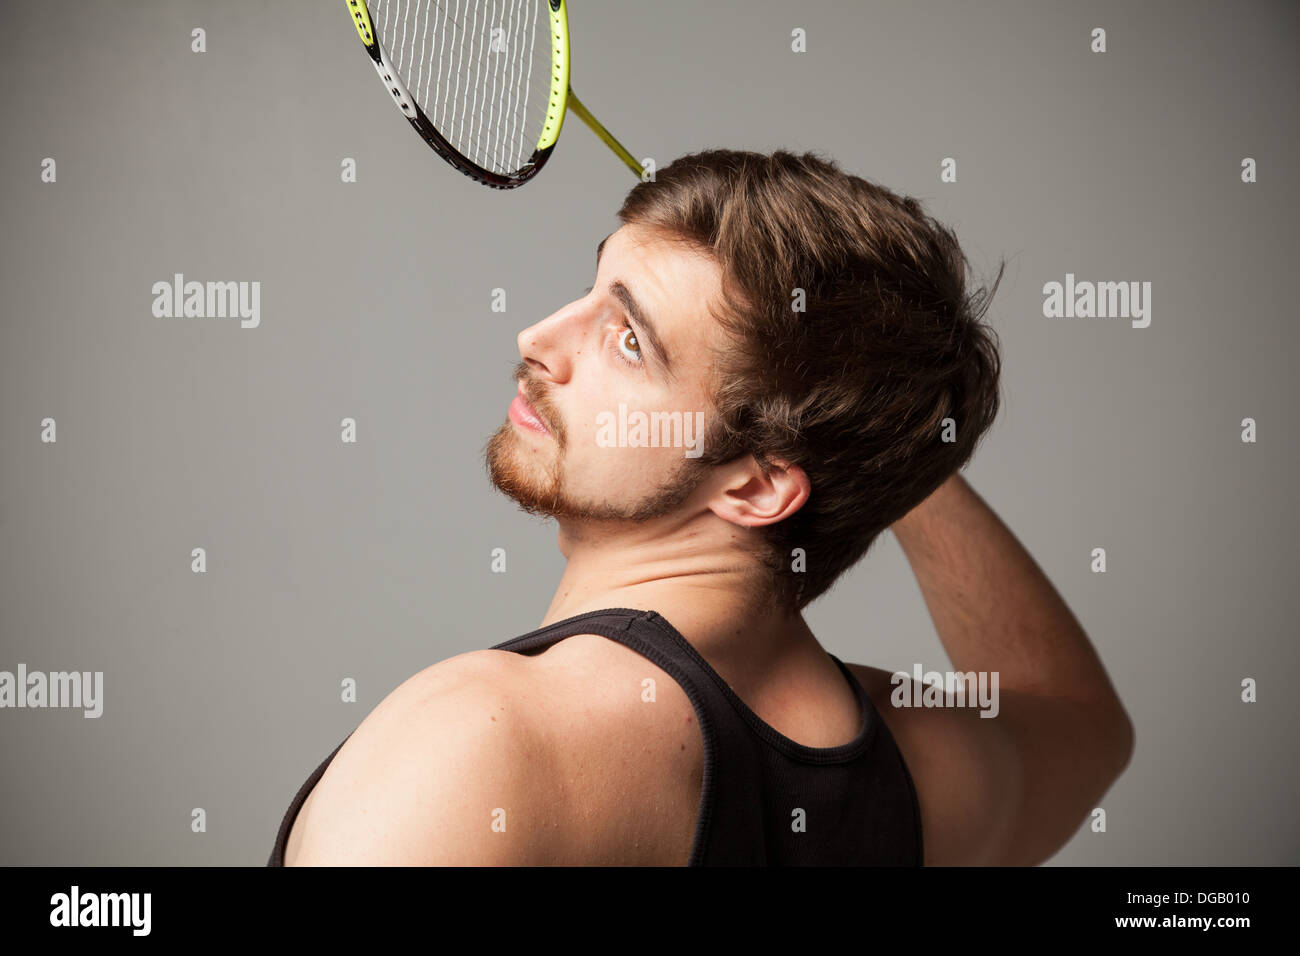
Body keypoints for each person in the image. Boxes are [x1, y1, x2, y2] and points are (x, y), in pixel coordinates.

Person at [267, 149, 1133, 866]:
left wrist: (865, 432)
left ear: (757, 485)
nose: (539, 339)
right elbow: (1080, 718)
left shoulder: (480, 745)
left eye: (630, 340)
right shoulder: (930, 773)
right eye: (592, 290)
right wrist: (884, 442)